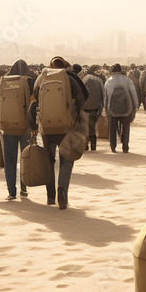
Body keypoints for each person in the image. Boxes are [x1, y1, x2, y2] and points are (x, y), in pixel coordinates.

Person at [31, 57, 87, 209]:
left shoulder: (42, 78)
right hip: (66, 127)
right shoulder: (69, 78)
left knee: (49, 162)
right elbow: (83, 98)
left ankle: (50, 196)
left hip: (46, 128)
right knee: (66, 160)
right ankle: (62, 192)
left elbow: (34, 100)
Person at [0, 59, 35, 200]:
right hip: (25, 126)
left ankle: (11, 191)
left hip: (8, 126)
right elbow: (34, 105)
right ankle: (24, 188)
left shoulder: (5, 81)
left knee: (9, 159)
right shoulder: (30, 80)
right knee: (25, 158)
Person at [103, 64, 138, 153]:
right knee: (126, 128)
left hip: (112, 108)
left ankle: (113, 146)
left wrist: (106, 108)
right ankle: (125, 146)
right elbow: (133, 94)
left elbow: (106, 96)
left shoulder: (109, 81)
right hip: (127, 108)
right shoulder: (127, 80)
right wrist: (135, 106)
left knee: (112, 128)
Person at [81, 65, 105, 152]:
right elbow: (103, 95)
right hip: (95, 108)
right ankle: (93, 146)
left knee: (84, 127)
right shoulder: (99, 80)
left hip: (84, 108)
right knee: (92, 127)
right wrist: (102, 107)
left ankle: (85, 145)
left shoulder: (83, 80)